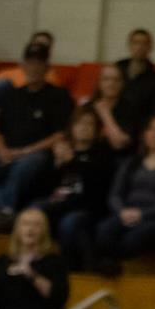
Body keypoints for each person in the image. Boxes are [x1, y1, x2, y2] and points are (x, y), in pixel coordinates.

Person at [0, 44, 71, 225]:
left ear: (47, 67)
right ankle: (0, 207)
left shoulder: (58, 96)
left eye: (38, 63)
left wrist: (25, 151)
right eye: (30, 63)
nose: (34, 68)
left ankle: (3, 211)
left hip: (36, 155)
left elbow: (60, 135)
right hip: (7, 154)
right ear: (23, 66)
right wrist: (3, 151)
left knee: (31, 162)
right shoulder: (12, 95)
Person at [40, 109, 117, 266]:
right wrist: (56, 164)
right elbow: (43, 186)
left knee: (70, 221)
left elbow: (97, 186)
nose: (83, 127)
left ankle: (69, 265)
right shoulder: (61, 151)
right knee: (33, 210)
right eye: (79, 123)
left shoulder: (103, 152)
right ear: (72, 127)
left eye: (89, 124)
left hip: (87, 207)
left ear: (97, 129)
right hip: (59, 203)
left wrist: (71, 161)